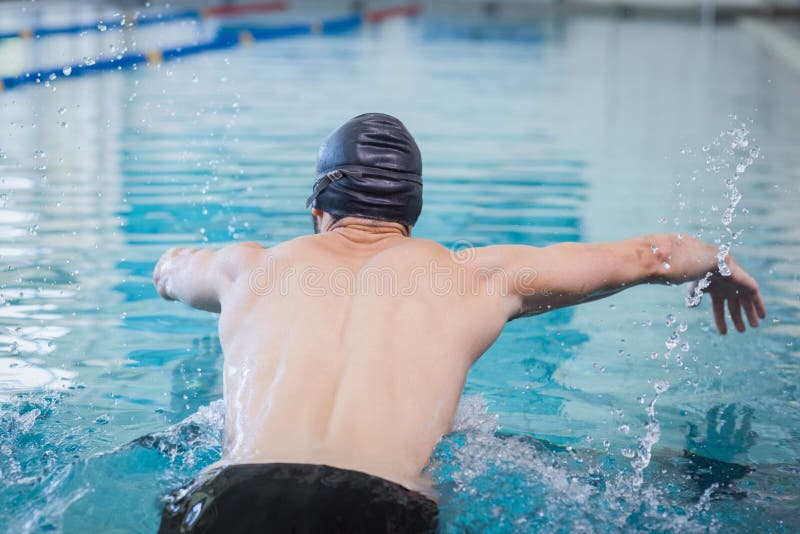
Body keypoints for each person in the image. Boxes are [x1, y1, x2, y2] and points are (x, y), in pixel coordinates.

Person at [153, 113, 766, 533]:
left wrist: (182, 270)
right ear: (411, 217)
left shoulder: (246, 268)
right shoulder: (473, 276)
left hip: (229, 498)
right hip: (378, 505)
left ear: (318, 210)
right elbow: (648, 255)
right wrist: (720, 263)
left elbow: (170, 269)